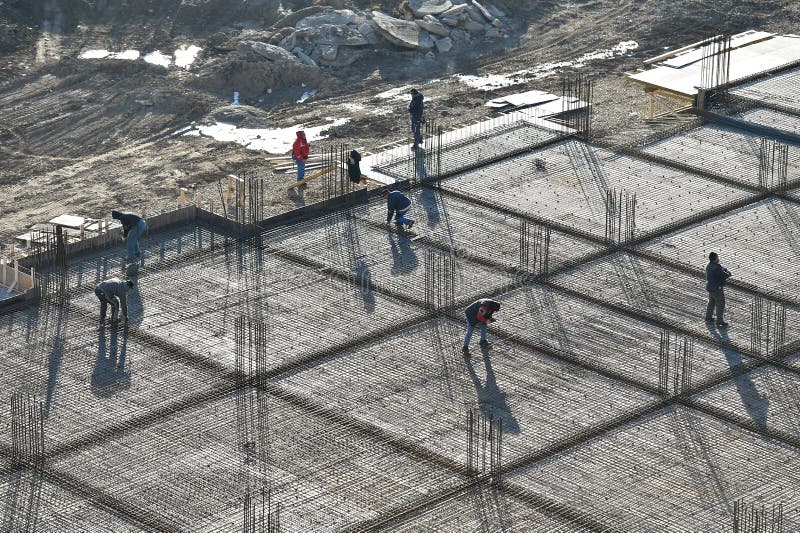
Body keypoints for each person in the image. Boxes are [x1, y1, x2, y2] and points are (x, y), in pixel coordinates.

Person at [705, 252, 731, 327]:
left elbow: (719, 271)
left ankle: (708, 317)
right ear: (715, 259)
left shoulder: (709, 265)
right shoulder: (717, 267)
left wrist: (722, 269)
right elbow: (723, 275)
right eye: (717, 257)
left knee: (711, 302)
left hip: (710, 287)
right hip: (717, 289)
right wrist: (728, 274)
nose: (718, 258)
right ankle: (719, 321)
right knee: (720, 304)